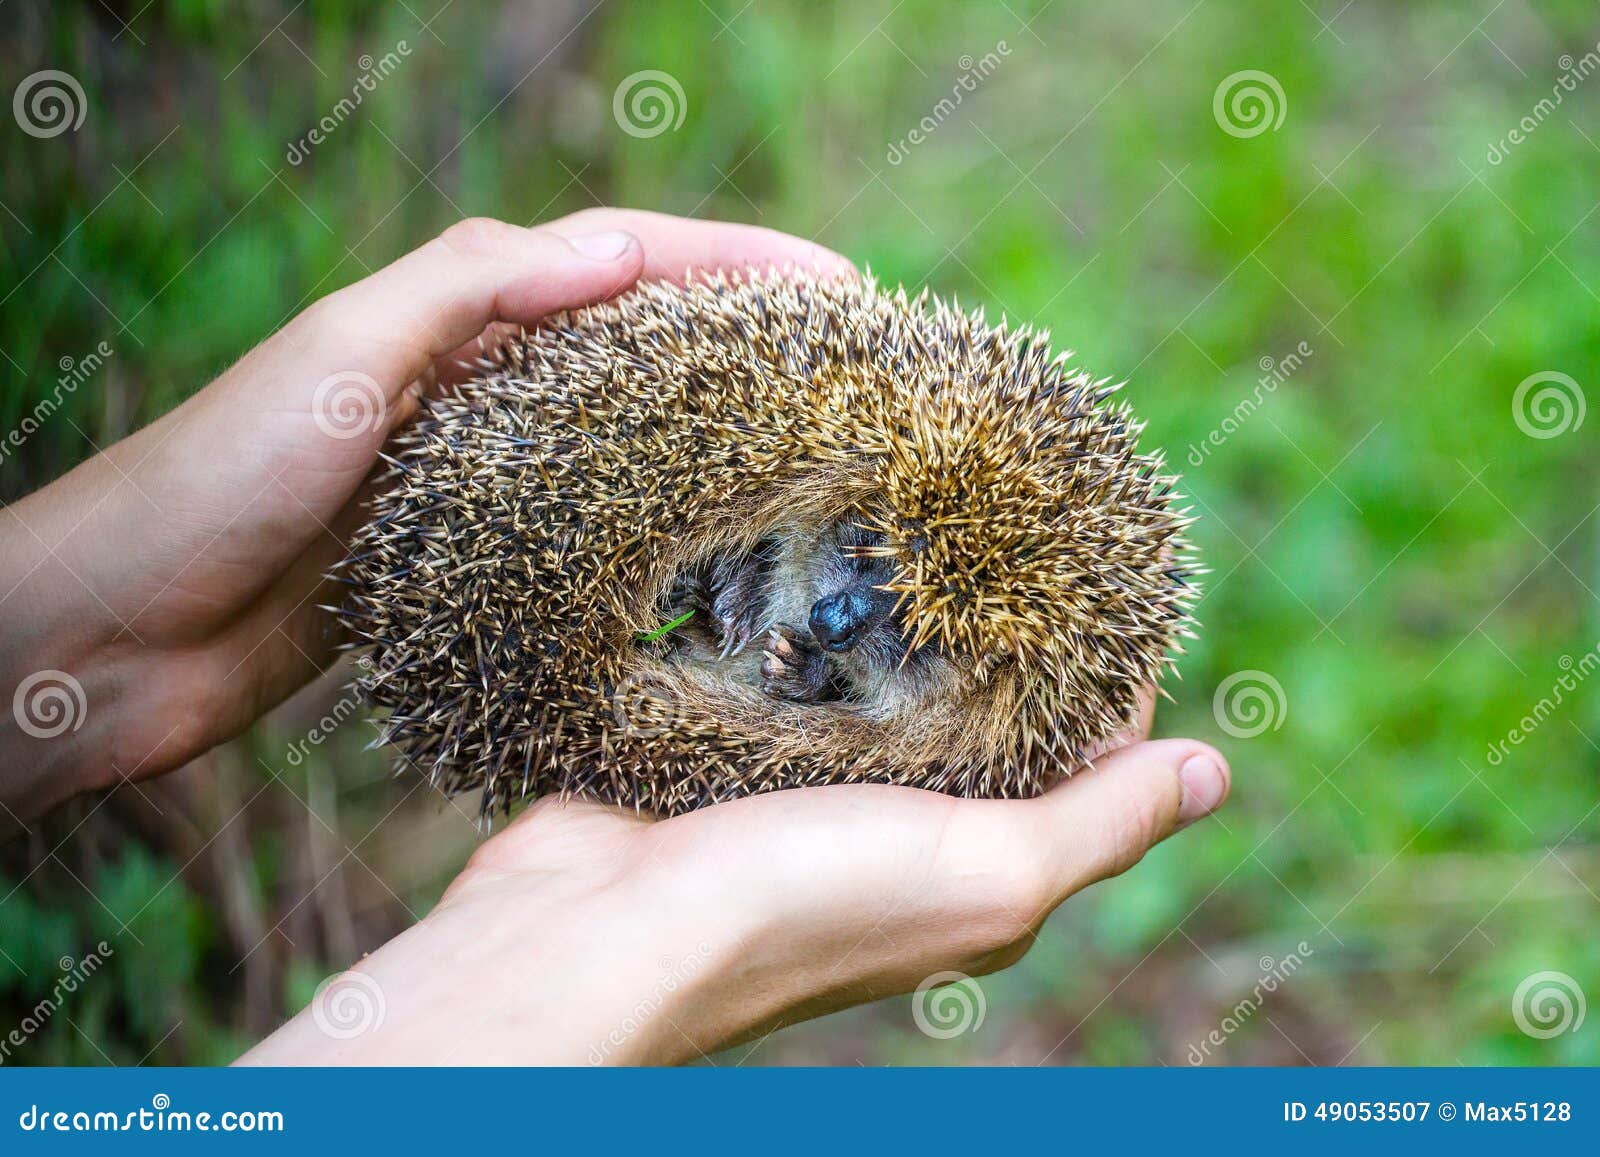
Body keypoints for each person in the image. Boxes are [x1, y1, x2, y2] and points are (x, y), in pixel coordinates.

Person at [0, 209, 1231, 1063]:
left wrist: (77, 649)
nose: (857, 609)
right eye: (865, 558)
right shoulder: (813, 454)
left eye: (908, 640)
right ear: (858, 488)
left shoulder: (927, 697)